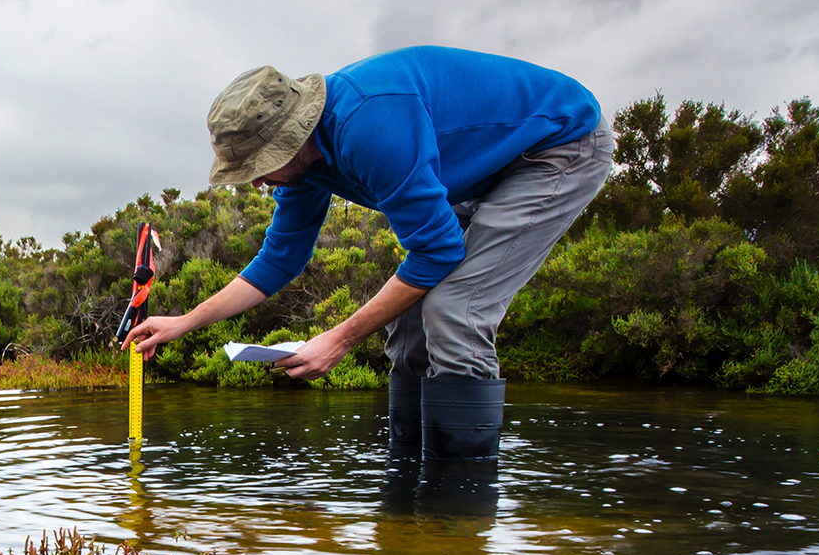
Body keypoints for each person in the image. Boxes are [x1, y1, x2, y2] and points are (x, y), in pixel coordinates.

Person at [123, 46, 614, 462]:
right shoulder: (305, 167)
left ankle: (457, 513)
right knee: (410, 319)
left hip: (557, 147)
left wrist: (338, 340)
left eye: (263, 164)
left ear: (295, 136)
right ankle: (406, 493)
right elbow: (280, 259)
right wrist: (184, 321)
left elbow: (437, 252)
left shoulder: (371, 126)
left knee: (453, 310)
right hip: (485, 167)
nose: (257, 179)